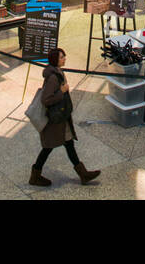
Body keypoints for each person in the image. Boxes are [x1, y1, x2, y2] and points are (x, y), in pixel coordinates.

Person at [29, 48, 100, 187]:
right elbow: (46, 99)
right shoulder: (53, 78)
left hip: (61, 118)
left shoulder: (58, 73)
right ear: (55, 59)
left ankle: (83, 174)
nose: (64, 58)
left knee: (69, 144)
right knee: (48, 147)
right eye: (62, 57)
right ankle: (35, 175)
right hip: (55, 121)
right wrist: (61, 92)